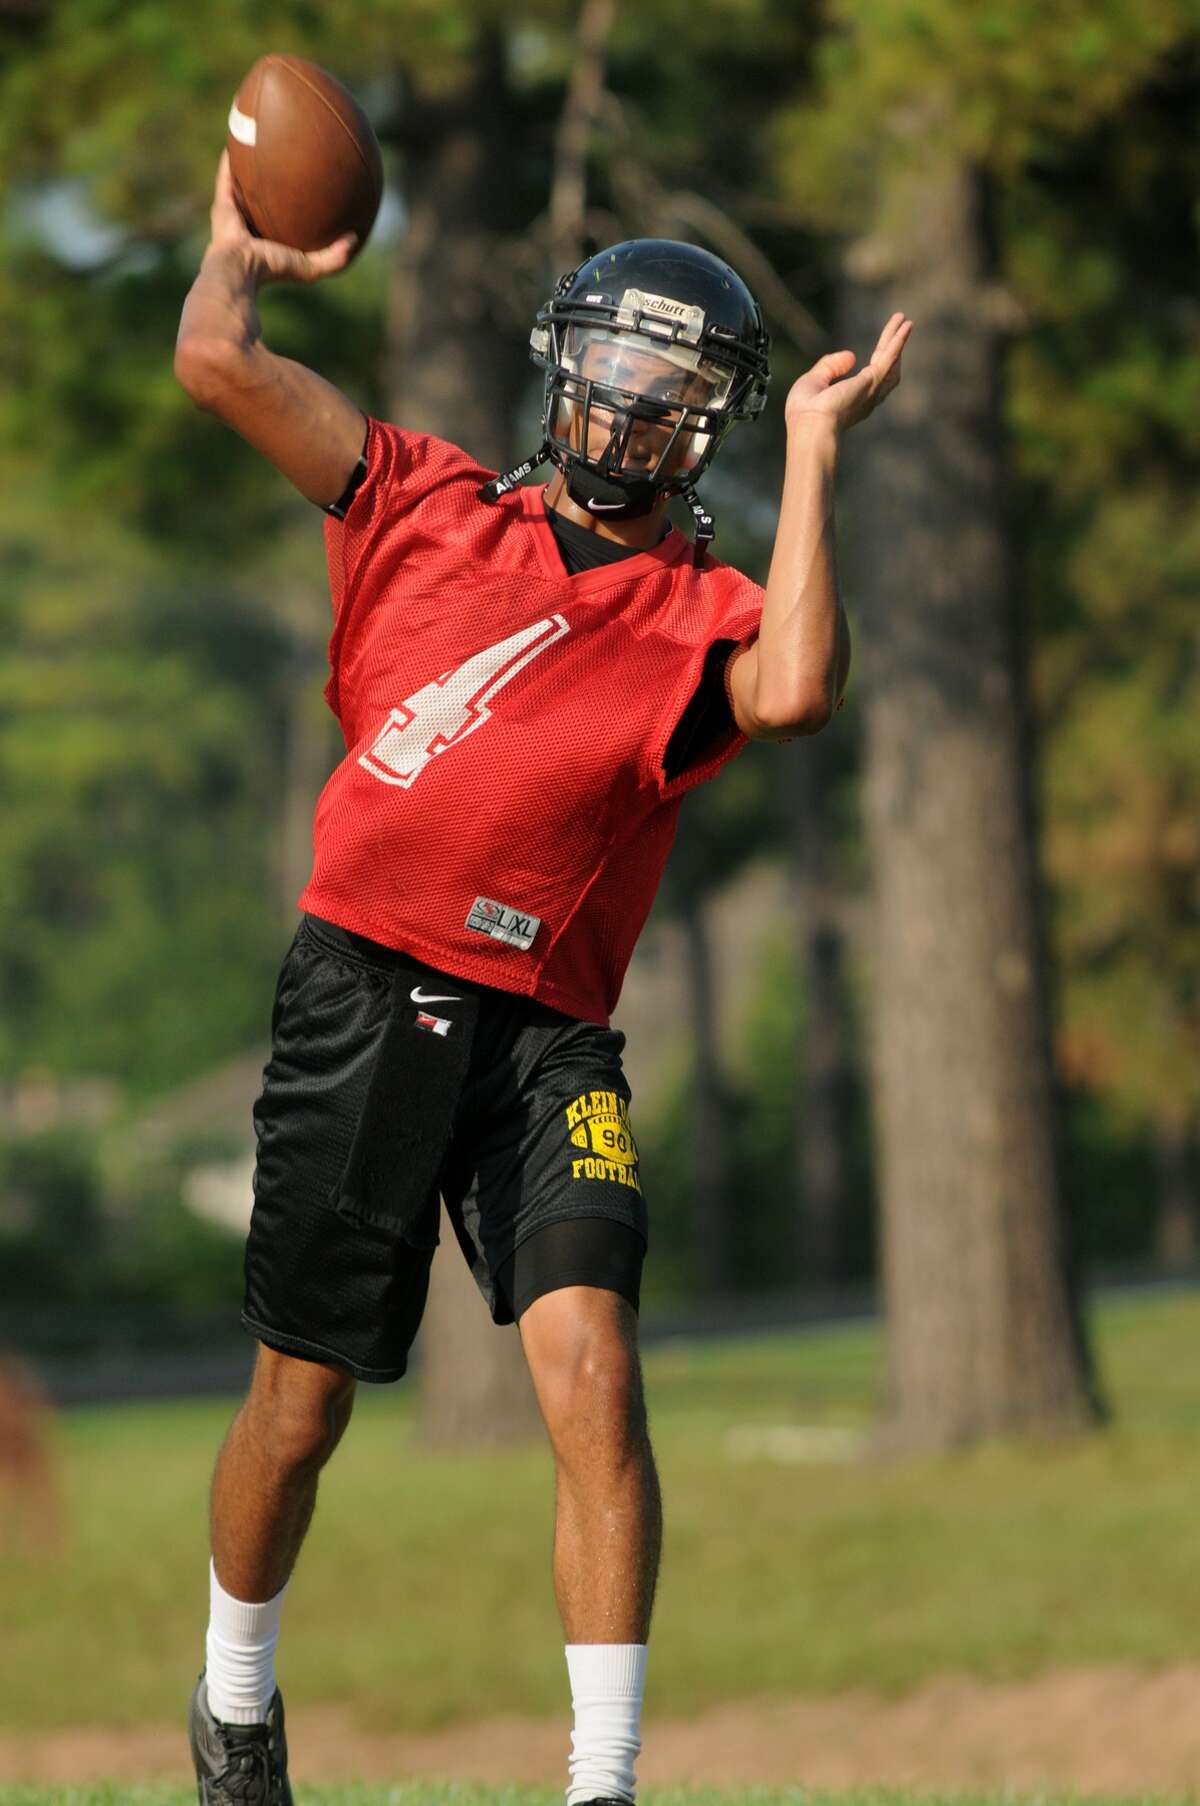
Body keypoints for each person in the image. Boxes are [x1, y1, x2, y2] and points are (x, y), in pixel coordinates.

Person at [174, 149, 911, 1806]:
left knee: (596, 1369)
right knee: (298, 1410)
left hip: (547, 1043)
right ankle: (233, 1697)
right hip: (362, 995)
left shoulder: (700, 606)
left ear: (705, 420)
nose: (631, 401)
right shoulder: (421, 501)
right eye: (616, 361)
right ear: (563, 364)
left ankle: (602, 1782)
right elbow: (217, 366)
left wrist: (813, 456)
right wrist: (242, 248)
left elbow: (794, 687)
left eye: (673, 383)